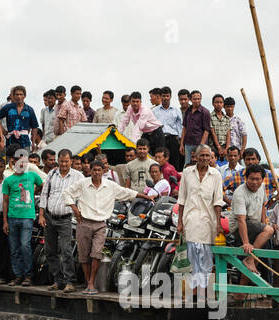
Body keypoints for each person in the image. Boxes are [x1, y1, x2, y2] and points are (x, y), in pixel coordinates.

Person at [66, 155, 143, 295]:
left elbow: (127, 192)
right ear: (90, 171)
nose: (96, 172)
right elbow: (67, 193)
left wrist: (145, 196)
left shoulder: (110, 185)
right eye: (94, 170)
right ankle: (88, 282)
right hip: (84, 222)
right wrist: (74, 209)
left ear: (103, 171)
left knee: (96, 253)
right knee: (84, 255)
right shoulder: (83, 183)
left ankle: (91, 282)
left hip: (101, 224)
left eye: (99, 170)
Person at [175, 144, 225, 303]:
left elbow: (218, 200)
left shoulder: (215, 174)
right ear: (195, 156)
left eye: (207, 156)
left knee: (206, 256)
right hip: (190, 218)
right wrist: (180, 222)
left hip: (208, 220)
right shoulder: (188, 173)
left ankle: (203, 290)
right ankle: (193, 291)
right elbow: (181, 198)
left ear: (211, 157)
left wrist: (218, 223)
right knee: (191, 256)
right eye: (201, 155)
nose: (204, 158)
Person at [40, 148, 83, 291]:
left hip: (66, 219)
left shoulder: (78, 176)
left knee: (66, 250)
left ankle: (69, 281)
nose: (64, 164)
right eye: (61, 161)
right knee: (50, 250)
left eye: (67, 161)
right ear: (58, 161)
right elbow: (44, 195)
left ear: (71, 161)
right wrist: (41, 215)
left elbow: (83, 196)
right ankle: (58, 280)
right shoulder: (52, 174)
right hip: (49, 217)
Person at [1, 151, 43, 285]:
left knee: (25, 246)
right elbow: (5, 201)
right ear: (14, 163)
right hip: (12, 217)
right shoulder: (8, 180)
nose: (22, 165)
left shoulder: (32, 176)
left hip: (27, 217)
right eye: (20, 162)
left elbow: (42, 186)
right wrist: (5, 221)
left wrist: (34, 193)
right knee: (14, 248)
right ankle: (18, 276)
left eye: (25, 163)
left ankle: (28, 276)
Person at [230, 164, 276, 275]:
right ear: (246, 178)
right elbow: (241, 220)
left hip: (254, 224)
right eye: (251, 179)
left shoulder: (262, 187)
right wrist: (246, 243)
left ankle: (240, 292)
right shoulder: (240, 193)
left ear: (262, 179)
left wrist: (263, 223)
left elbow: (262, 206)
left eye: (257, 179)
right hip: (239, 226)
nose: (255, 182)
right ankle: (250, 258)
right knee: (269, 230)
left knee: (255, 264)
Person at [0, 85, 39, 155]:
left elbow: (34, 127)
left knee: (24, 163)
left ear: (25, 96)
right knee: (10, 162)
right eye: (17, 94)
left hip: (25, 141)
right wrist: (3, 131)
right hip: (11, 140)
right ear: (13, 96)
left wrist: (33, 142)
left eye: (21, 94)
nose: (19, 96)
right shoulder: (8, 108)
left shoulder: (29, 110)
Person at [152, 86, 182, 167]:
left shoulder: (176, 110)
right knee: (160, 162)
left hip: (173, 139)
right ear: (160, 97)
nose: (165, 98)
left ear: (170, 96)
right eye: (163, 96)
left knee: (174, 162)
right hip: (159, 139)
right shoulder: (155, 111)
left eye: (167, 96)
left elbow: (180, 125)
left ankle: (174, 179)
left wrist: (180, 139)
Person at [179, 90, 212, 164]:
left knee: (200, 164)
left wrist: (201, 146)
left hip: (199, 143)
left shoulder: (205, 112)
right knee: (187, 165)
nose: (197, 101)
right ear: (190, 99)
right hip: (188, 143)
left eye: (199, 99)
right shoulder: (188, 111)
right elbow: (184, 128)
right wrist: (182, 144)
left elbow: (206, 131)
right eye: (194, 99)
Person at [209, 94, 231, 161]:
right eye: (217, 102)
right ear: (213, 104)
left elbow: (228, 134)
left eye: (221, 102)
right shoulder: (210, 117)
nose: (219, 104)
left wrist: (227, 148)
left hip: (224, 147)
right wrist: (219, 148)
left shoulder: (227, 118)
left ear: (223, 104)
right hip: (213, 146)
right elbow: (213, 133)